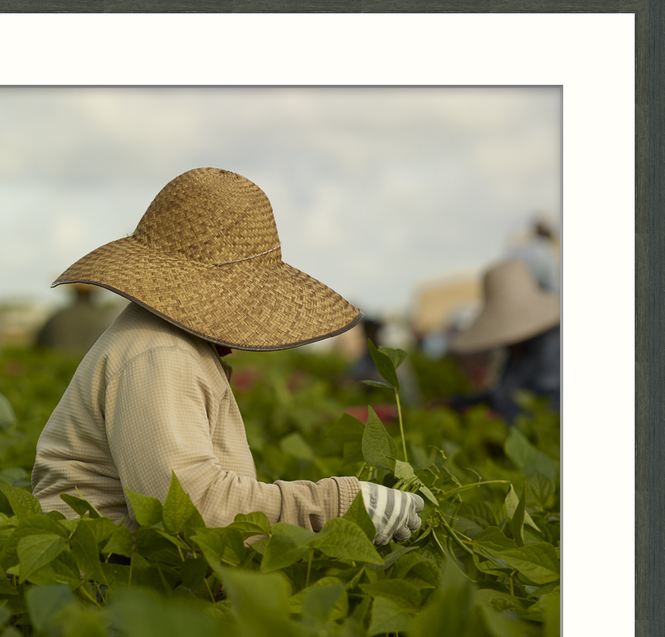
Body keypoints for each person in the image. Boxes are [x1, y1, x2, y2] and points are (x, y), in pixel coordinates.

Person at [31, 168, 423, 545]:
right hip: (108, 577)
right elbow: (191, 512)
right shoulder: (161, 353)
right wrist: (338, 505)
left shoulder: (169, 343)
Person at [448, 257, 560, 422]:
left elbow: (550, 406)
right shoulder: (517, 351)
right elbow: (502, 398)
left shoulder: (551, 347)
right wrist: (457, 403)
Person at [35, 282, 119, 354]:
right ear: (93, 293)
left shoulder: (58, 316)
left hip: (58, 364)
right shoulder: (103, 318)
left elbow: (39, 345)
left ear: (74, 292)